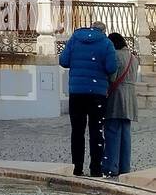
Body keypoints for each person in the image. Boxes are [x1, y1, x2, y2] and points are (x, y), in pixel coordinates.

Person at [58, 21, 117, 177]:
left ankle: (77, 168)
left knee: (77, 131)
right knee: (96, 131)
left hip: (76, 93)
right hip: (97, 93)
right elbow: (111, 68)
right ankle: (95, 169)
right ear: (104, 31)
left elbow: (63, 61)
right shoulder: (106, 43)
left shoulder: (74, 39)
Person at [104, 33, 139, 179]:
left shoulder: (115, 56)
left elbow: (112, 77)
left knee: (112, 131)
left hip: (117, 97)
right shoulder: (133, 58)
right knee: (125, 133)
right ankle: (125, 166)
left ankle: (111, 166)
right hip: (130, 98)